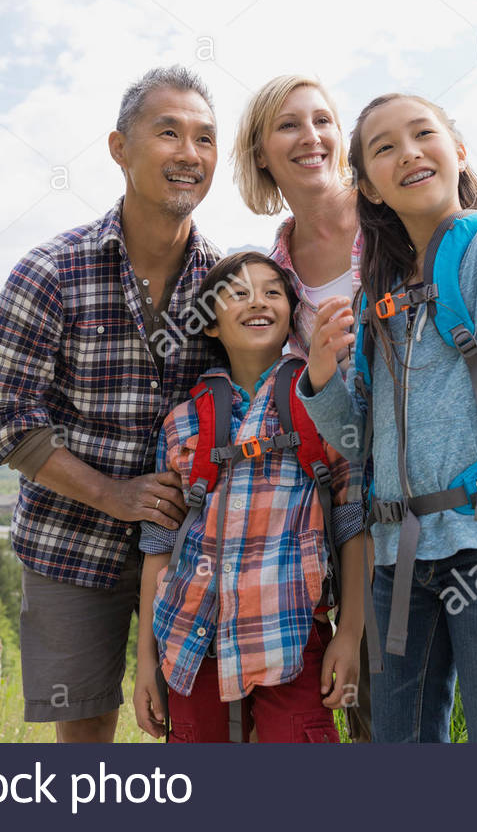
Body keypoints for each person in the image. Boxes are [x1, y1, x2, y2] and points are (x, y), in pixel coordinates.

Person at [233, 60, 477, 737]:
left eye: (423, 134)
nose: (409, 152)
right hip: (396, 554)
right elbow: (356, 435)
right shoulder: (370, 295)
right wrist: (323, 379)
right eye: (386, 147)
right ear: (368, 186)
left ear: (458, 150)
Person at [0, 65, 222, 742]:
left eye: (204, 138)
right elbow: (1, 416)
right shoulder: (51, 271)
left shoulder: (225, 285)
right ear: (119, 148)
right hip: (70, 548)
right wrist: (113, 494)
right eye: (168, 132)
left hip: (189, 551)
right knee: (84, 745)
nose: (189, 153)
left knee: (207, 730)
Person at [130, 253, 366, 742]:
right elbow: (158, 545)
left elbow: (351, 523)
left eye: (273, 292)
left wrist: (350, 635)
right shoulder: (183, 422)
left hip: (293, 643)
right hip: (191, 648)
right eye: (237, 293)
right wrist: (146, 662)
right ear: (210, 324)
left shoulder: (319, 401)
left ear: (290, 314)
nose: (257, 302)